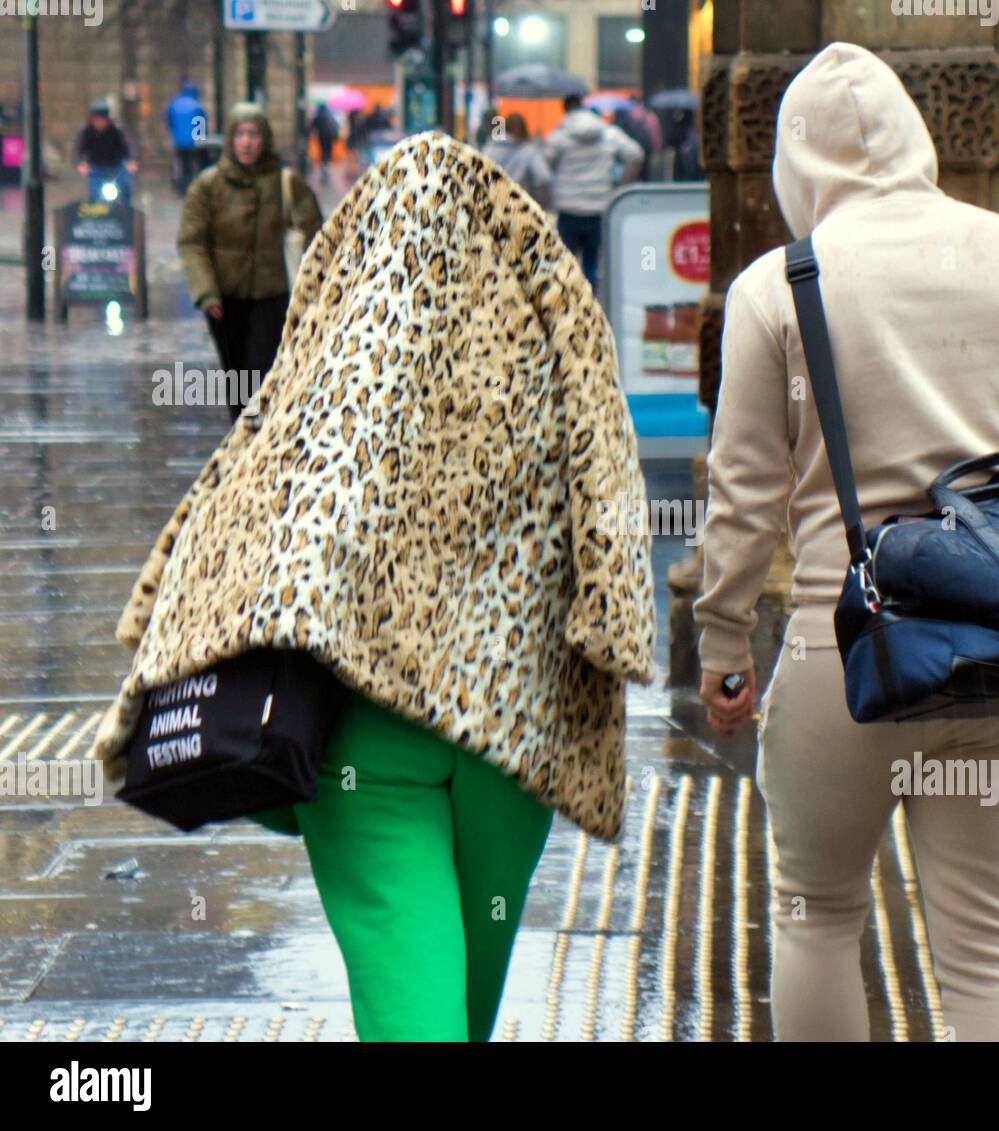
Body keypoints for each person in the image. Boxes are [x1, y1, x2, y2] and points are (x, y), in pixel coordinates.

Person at [91, 129, 657, 1042]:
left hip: (366, 733)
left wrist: (165, 644)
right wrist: (614, 640)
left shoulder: (336, 344)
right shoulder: (558, 320)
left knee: (411, 1004)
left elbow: (250, 503)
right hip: (516, 731)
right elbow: (611, 505)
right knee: (467, 1003)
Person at [694, 42, 999, 1042]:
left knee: (815, 916)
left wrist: (722, 646)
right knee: (986, 949)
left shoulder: (776, 287)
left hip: (843, 652)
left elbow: (743, 495)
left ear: (794, 163)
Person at [177, 103, 323, 424]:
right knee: (236, 378)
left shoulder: (286, 183)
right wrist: (206, 293)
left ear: (265, 140)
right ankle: (242, 445)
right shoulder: (208, 186)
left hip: (273, 297)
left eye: (253, 134)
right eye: (240, 134)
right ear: (230, 139)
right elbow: (192, 242)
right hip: (225, 300)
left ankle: (261, 441)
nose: (247, 142)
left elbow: (318, 237)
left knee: (263, 373)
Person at [542, 93, 644, 288]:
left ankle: (568, 301)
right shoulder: (608, 133)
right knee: (593, 263)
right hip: (599, 207)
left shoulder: (560, 136)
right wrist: (619, 180)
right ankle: (591, 302)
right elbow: (635, 154)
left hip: (568, 208)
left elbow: (546, 162)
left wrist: (559, 179)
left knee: (566, 263)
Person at [482, 112, 553, 209]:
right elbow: (543, 178)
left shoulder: (488, 149)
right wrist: (536, 203)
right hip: (519, 208)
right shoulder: (529, 152)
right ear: (524, 130)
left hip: (492, 206)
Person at [74, 99, 137, 206]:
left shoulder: (117, 129)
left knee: (125, 186)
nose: (99, 123)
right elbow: (78, 149)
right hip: (96, 168)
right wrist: (81, 163)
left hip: (116, 167)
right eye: (96, 120)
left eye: (102, 119)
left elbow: (128, 145)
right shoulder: (86, 132)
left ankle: (126, 211)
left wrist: (131, 161)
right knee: (95, 193)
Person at [166, 80, 208, 194]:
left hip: (179, 141)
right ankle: (197, 187)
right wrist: (201, 138)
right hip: (194, 141)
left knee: (183, 165)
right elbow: (201, 123)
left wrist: (175, 134)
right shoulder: (197, 105)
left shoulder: (174, 104)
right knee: (197, 164)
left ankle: (182, 189)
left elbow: (169, 122)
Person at [310, 102, 339, 181]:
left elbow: (313, 127)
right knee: (328, 150)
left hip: (322, 137)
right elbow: (336, 125)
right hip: (330, 137)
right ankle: (327, 164)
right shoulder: (330, 115)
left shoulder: (318, 116)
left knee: (323, 150)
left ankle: (324, 165)